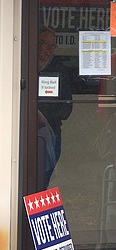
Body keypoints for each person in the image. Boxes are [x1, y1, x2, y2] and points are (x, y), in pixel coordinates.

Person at [37, 28, 73, 184]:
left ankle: (40, 200)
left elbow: (67, 108)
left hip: (52, 132)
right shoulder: (23, 65)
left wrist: (45, 115)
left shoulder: (59, 70)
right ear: (36, 43)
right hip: (26, 133)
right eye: (45, 44)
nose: (49, 49)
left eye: (53, 46)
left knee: (46, 177)